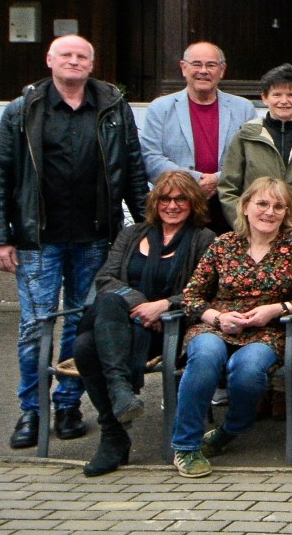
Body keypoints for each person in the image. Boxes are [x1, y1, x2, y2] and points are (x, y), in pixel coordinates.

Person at [0, 34, 148, 449]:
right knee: (35, 327)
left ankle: (68, 406)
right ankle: (32, 410)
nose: (74, 61)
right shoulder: (23, 109)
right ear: (49, 60)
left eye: (81, 56)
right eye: (66, 55)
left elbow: (132, 169)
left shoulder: (113, 107)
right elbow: (0, 175)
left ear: (91, 64)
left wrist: (149, 228)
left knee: (82, 323)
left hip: (95, 238)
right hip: (38, 239)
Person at [171, 176, 292, 478]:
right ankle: (186, 446)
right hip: (216, 325)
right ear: (246, 206)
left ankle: (231, 429)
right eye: (262, 203)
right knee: (205, 358)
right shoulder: (223, 244)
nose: (269, 212)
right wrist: (216, 317)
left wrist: (278, 309)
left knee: (248, 371)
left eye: (279, 206)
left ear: (286, 212)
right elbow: (191, 296)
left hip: (269, 330)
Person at [74, 171, 216, 476]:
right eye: (165, 198)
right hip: (120, 319)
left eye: (181, 199)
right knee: (108, 302)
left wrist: (163, 305)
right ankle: (119, 395)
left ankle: (114, 434)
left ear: (193, 202)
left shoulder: (204, 239)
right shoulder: (131, 235)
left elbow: (205, 290)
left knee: (85, 345)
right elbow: (105, 278)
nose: (172, 205)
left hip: (166, 329)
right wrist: (140, 305)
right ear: (155, 202)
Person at [139, 41, 256, 235]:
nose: (203, 71)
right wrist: (194, 180)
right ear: (183, 68)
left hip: (228, 207)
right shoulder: (160, 108)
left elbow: (252, 158)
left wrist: (217, 179)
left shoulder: (243, 109)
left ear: (222, 70)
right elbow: (151, 157)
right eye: (196, 64)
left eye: (211, 65)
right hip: (176, 204)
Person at [218, 64, 292, 234]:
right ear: (264, 98)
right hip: (256, 233)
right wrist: (244, 223)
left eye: (291, 95)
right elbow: (227, 188)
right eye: (277, 94)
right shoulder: (245, 137)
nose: (284, 101)